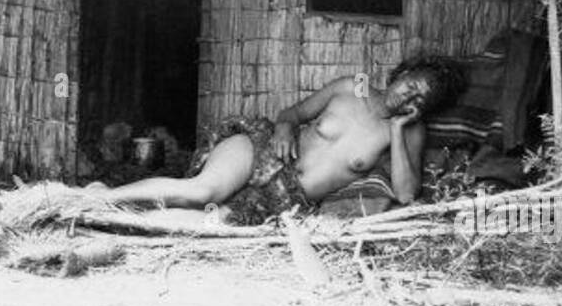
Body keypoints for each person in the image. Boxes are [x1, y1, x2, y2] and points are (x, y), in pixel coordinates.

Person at [98, 57, 464, 225]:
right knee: (202, 191)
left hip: (289, 196)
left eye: (420, 100)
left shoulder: (411, 132)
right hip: (263, 153)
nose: (409, 97)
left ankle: (112, 216)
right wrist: (285, 128)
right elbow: (292, 114)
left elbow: (405, 194)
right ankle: (93, 199)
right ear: (402, 73)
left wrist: (398, 130)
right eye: (411, 85)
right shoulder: (352, 87)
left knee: (209, 222)